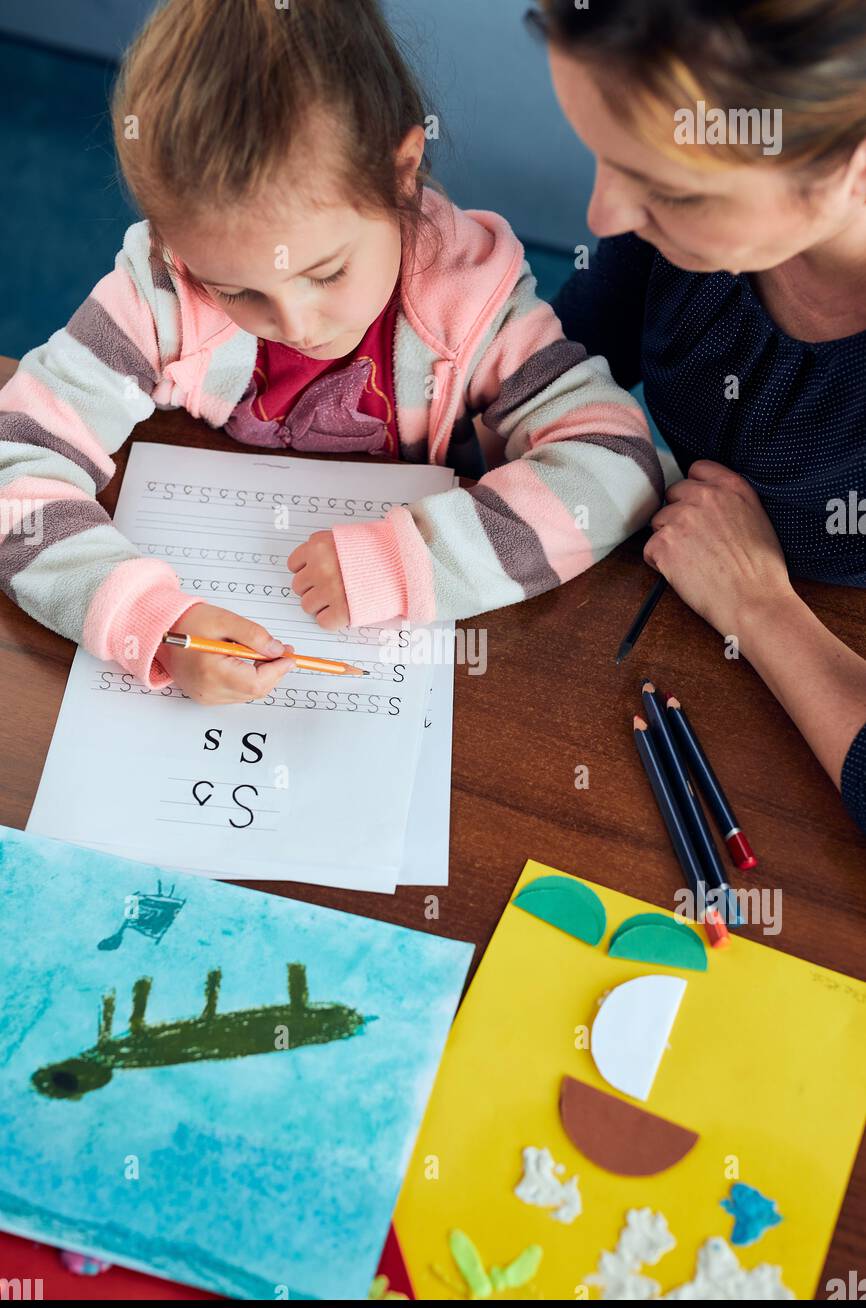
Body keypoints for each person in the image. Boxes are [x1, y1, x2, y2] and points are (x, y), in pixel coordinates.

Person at [0, 0, 666, 708]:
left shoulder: (475, 305)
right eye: (236, 291)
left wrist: (409, 565)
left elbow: (617, 463)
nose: (295, 325)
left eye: (326, 274)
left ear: (402, 170)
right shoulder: (165, 287)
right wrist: (159, 627)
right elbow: (15, 478)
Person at [531, 0, 866, 833]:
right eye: (605, 158)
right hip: (664, 629)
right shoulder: (681, 229)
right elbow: (558, 367)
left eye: (669, 188)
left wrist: (759, 604)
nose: (603, 215)